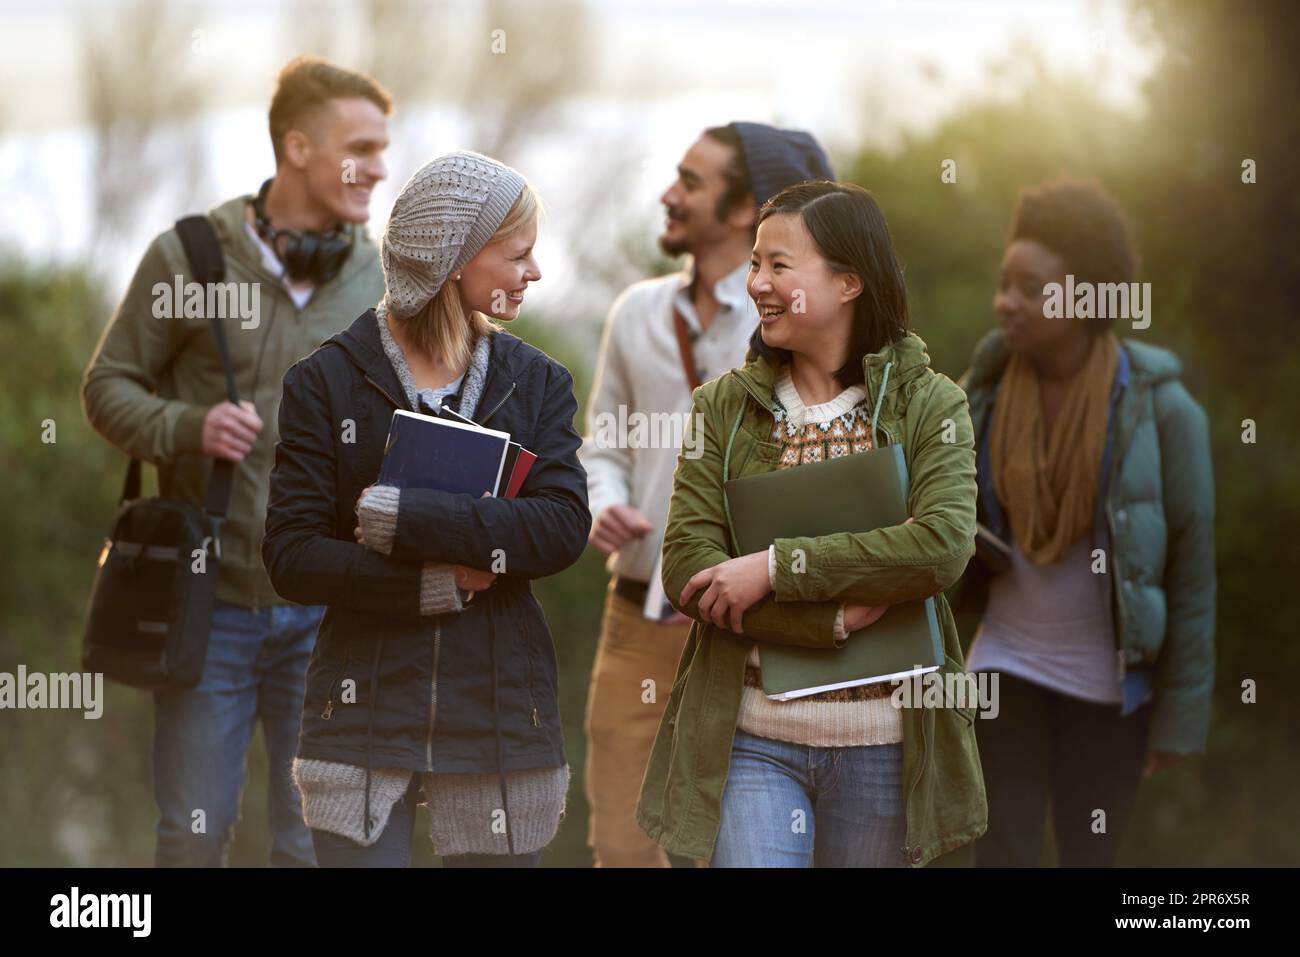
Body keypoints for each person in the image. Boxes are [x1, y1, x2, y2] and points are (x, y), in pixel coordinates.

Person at [81, 55, 392, 867]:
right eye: (361, 147)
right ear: (298, 148)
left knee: (311, 842)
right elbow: (106, 387)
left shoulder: (382, 277)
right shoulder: (190, 257)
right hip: (206, 605)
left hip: (329, 612)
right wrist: (186, 425)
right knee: (190, 836)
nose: (381, 169)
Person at [636, 180, 987, 867]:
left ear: (848, 282)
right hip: (750, 740)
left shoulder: (932, 402)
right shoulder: (722, 408)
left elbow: (941, 547)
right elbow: (688, 567)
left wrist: (770, 567)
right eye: (755, 263)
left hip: (888, 748)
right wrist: (825, 622)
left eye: (778, 265)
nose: (756, 282)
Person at [262, 151, 591, 867]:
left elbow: (562, 526)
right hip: (360, 721)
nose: (534, 273)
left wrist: (404, 518)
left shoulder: (537, 383)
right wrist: (428, 584)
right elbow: (290, 554)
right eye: (519, 254)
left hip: (499, 720)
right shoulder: (324, 383)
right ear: (455, 260)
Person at [580, 122, 835, 867]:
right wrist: (604, 500)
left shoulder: (793, 324)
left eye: (690, 182)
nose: (668, 195)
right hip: (636, 614)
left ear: (745, 206)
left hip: (754, 623)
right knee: (622, 846)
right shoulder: (635, 312)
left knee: (740, 846)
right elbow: (602, 444)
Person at [954, 176, 1215, 867]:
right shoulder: (981, 391)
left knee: (1089, 853)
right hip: (1003, 662)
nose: (1005, 303)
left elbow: (1191, 570)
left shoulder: (1165, 412)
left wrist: (1180, 716)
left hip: (1107, 686)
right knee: (1001, 850)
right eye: (1004, 282)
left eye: (1030, 288)